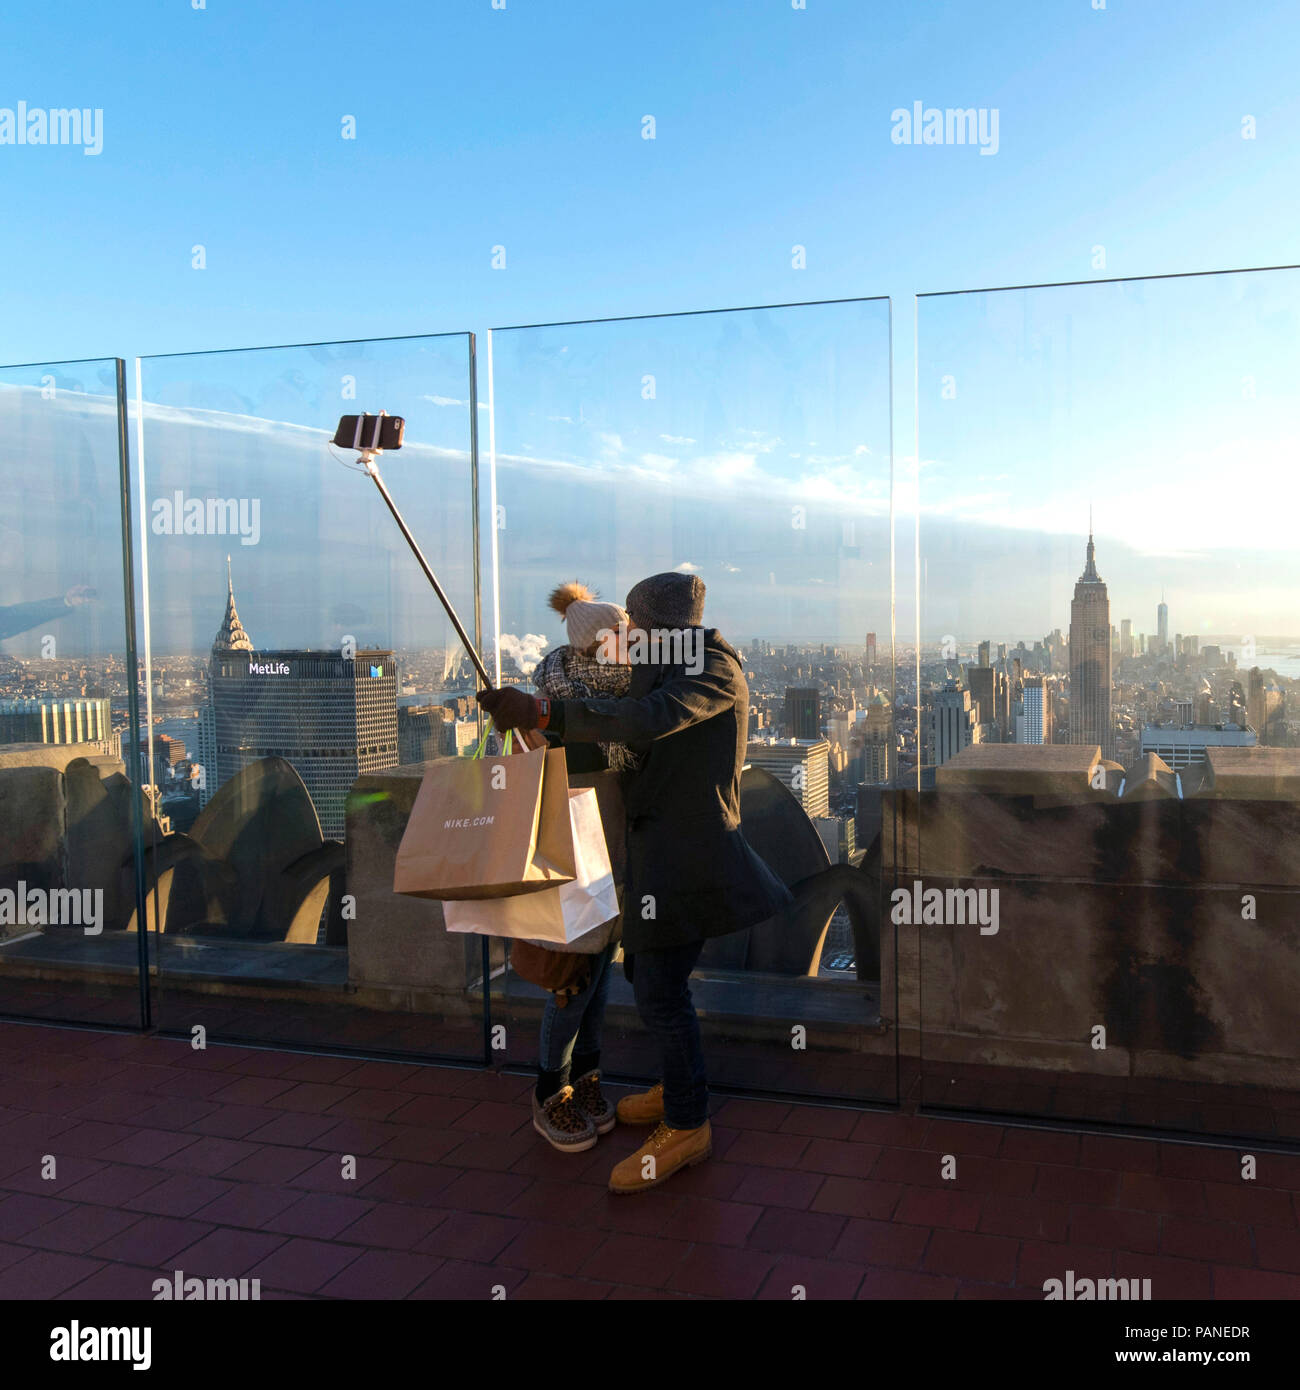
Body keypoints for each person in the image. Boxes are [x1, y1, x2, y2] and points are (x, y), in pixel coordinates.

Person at [479, 570, 791, 1194]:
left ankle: (688, 1122)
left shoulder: (713, 670)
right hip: (658, 856)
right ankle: (679, 1089)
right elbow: (624, 737)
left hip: (691, 856)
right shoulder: (670, 664)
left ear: (664, 627)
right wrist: (546, 732)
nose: (633, 638)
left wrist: (545, 709)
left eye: (641, 626)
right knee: (652, 978)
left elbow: (647, 720)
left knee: (661, 991)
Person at [526, 582, 637, 1154]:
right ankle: (551, 1092)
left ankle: (586, 1077)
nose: (630, 645)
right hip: (575, 858)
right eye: (621, 636)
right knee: (571, 980)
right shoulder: (556, 711)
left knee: (598, 977)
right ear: (594, 644)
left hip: (613, 858)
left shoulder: (618, 697)